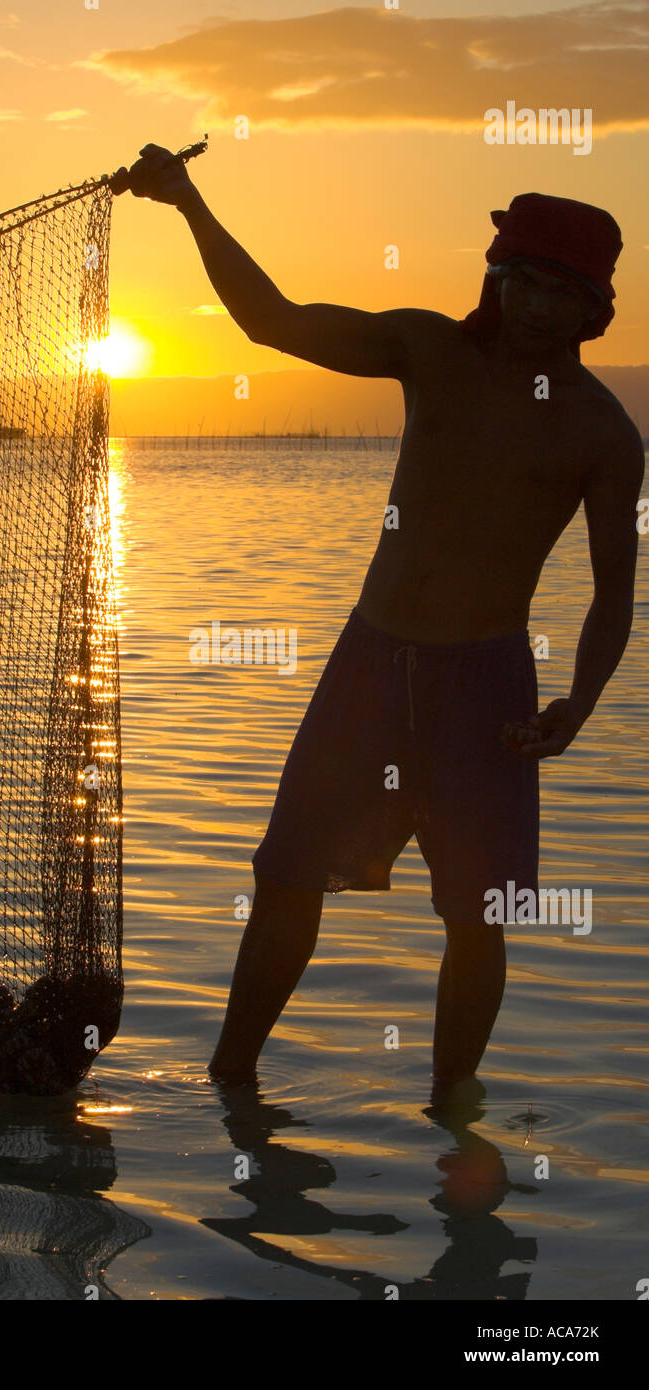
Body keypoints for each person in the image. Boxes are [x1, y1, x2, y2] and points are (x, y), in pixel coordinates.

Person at [126, 146, 644, 1098]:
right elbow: (272, 321)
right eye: (521, 280)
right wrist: (189, 201)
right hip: (371, 664)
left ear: (592, 310)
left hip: (487, 688)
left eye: (560, 290)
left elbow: (615, 592)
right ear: (495, 279)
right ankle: (231, 1086)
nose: (536, 304)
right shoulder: (428, 350)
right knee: (286, 879)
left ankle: (454, 1119)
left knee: (478, 915)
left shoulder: (603, 434)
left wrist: (582, 699)